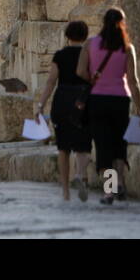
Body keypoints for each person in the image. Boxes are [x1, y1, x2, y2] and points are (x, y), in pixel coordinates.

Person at [76, 7, 140, 205]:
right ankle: (120, 183)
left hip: (97, 99)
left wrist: (94, 79)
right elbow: (133, 80)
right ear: (123, 23)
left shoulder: (90, 44)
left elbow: (80, 70)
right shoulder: (127, 47)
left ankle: (109, 191)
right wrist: (139, 107)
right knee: (119, 144)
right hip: (121, 99)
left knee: (103, 145)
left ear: (103, 22)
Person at [34, 19, 92, 201]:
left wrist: (40, 104)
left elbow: (51, 81)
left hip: (62, 101)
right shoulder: (89, 55)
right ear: (85, 36)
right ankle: (82, 175)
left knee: (63, 149)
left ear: (67, 36)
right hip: (83, 102)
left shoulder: (60, 55)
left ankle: (66, 191)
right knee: (83, 146)